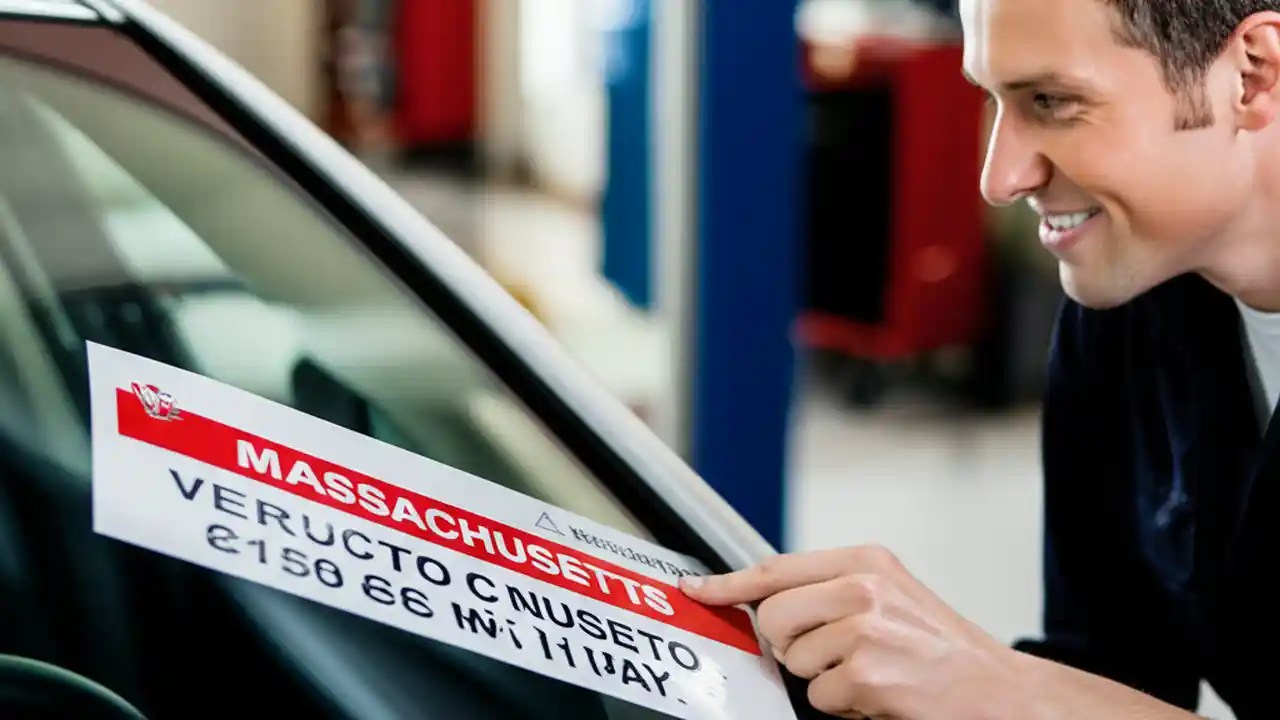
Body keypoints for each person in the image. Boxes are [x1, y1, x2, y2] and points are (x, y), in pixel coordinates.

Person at [680, 0, 1280, 718]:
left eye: (1052, 102)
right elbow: (1114, 673)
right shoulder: (1128, 310)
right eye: (994, 100)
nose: (1001, 176)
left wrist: (1002, 686)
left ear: (1252, 75)